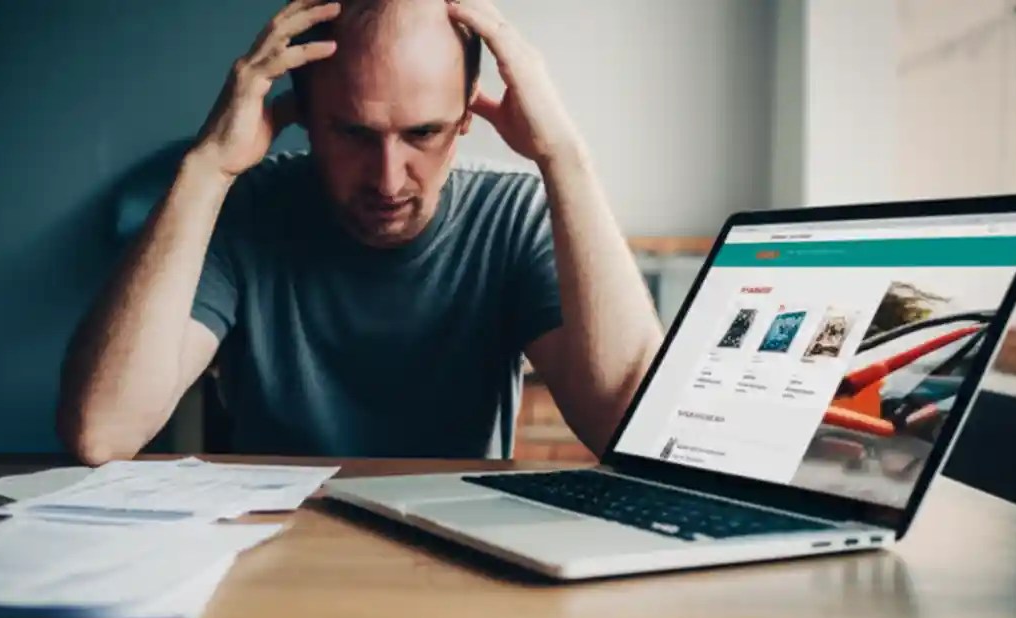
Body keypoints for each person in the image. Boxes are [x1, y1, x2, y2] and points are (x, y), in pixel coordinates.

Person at [57, 0, 663, 464]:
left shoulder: (513, 214)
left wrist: (564, 157)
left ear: (468, 114)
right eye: (352, 133)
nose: (387, 179)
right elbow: (101, 432)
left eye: (424, 133)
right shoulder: (245, 208)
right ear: (301, 115)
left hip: (461, 560)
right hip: (275, 558)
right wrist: (208, 165)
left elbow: (627, 427)